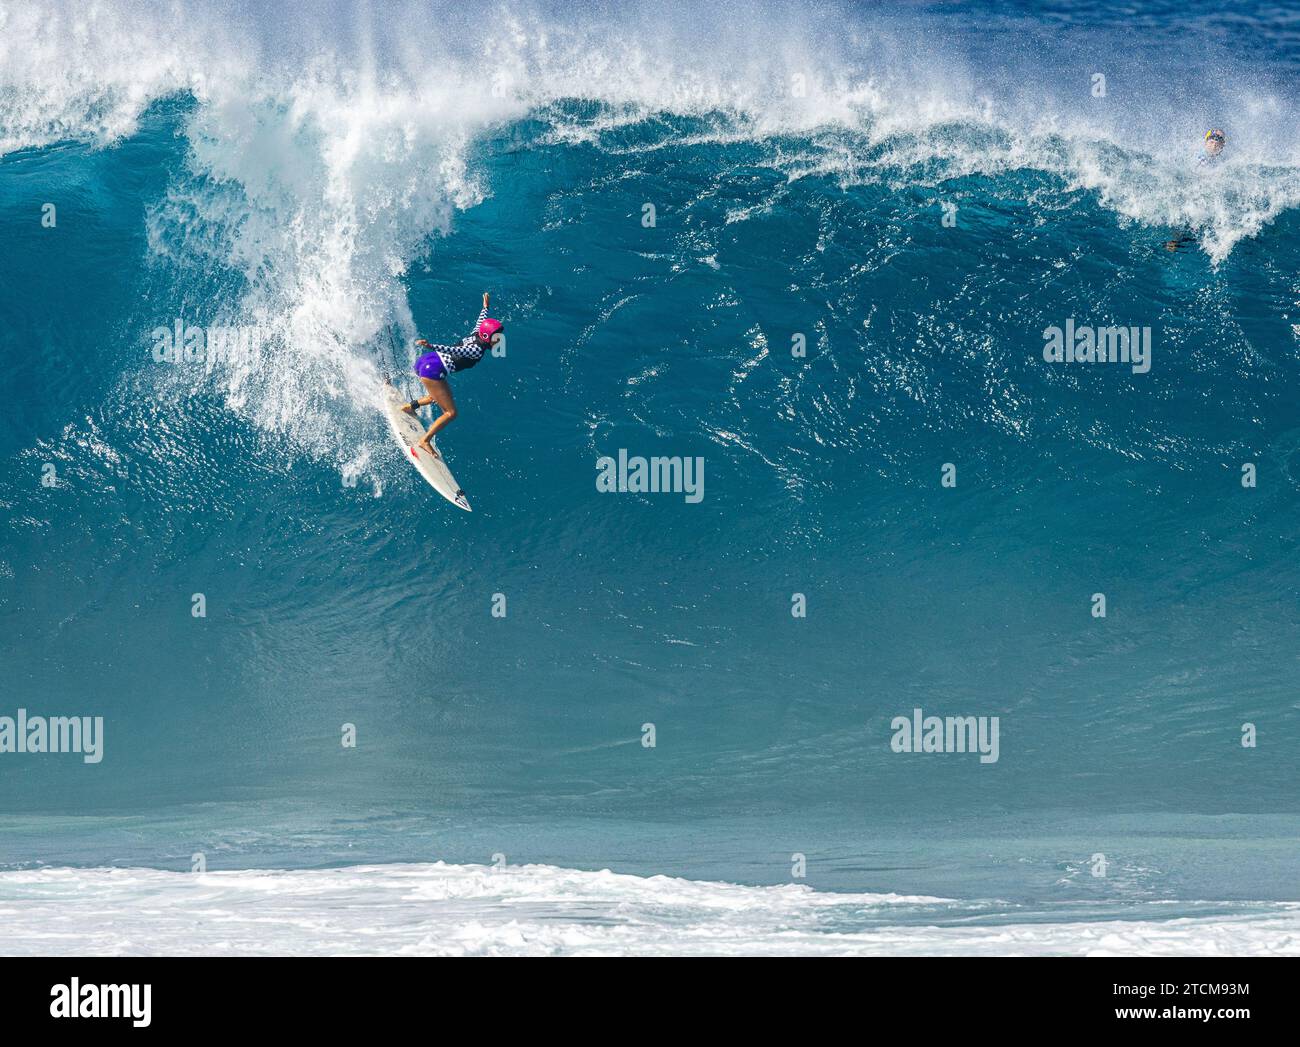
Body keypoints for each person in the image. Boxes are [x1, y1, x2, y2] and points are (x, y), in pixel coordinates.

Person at [402, 292, 502, 456]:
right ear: (486, 337)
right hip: (432, 368)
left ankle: (409, 407)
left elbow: (480, 321)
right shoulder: (477, 349)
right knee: (451, 413)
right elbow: (456, 350)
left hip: (427, 361)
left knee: (436, 397)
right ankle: (424, 441)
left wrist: (486, 307)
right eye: (496, 337)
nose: (499, 340)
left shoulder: (477, 333)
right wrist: (431, 345)